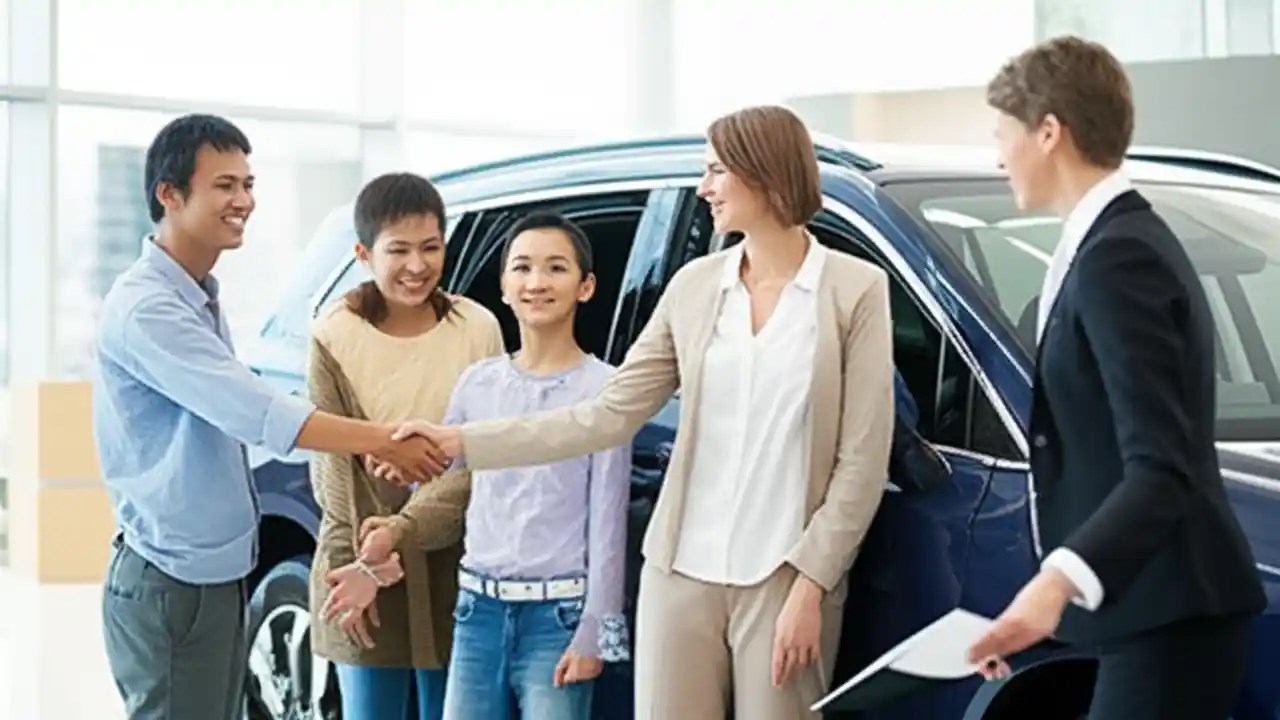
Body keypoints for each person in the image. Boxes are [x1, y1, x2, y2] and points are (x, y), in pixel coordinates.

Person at [391, 105, 896, 719]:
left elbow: (862, 460)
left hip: (784, 578)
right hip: (680, 574)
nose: (703, 188)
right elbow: (605, 414)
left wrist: (813, 583)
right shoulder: (695, 287)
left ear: (763, 173)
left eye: (715, 172)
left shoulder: (855, 290)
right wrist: (458, 441)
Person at [91, 114, 447, 720]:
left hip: (210, 575)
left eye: (249, 184)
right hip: (171, 581)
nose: (244, 201)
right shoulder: (147, 309)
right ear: (169, 195)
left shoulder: (198, 293)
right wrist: (383, 440)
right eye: (225, 185)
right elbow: (255, 412)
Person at [966, 36, 1266, 719]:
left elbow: (1162, 466)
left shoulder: (1117, 258)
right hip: (1151, 610)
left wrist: (1054, 584)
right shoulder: (1104, 245)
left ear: (1049, 132)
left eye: (1003, 134)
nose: (997, 154)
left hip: (1175, 611)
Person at [305, 172, 505, 719]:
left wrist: (413, 518)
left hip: (458, 553)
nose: (417, 266)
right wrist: (363, 565)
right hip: (360, 554)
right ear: (364, 253)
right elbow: (333, 472)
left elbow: (484, 451)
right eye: (399, 250)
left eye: (430, 247)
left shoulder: (477, 327)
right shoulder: (334, 332)